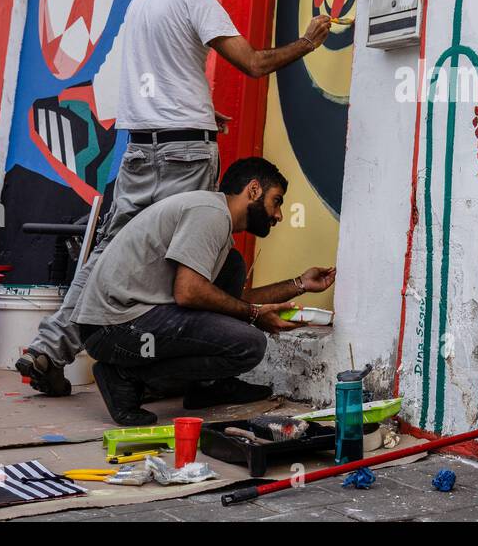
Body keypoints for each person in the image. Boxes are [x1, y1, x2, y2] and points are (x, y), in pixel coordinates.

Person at [17, 0, 331, 396]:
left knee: (106, 257)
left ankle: (48, 349)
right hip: (186, 155)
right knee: (191, 264)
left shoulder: (142, 1)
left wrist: (203, 113)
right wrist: (308, 43)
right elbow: (252, 63)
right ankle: (175, 374)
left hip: (141, 150)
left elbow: (157, 78)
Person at [74, 156, 336, 426]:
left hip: (126, 324)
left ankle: (207, 385)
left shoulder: (216, 218)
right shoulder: (210, 213)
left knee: (233, 266)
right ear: (254, 190)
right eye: (277, 201)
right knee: (249, 345)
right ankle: (125, 375)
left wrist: (300, 284)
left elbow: (229, 301)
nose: (279, 215)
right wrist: (255, 314)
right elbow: (188, 292)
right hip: (113, 330)